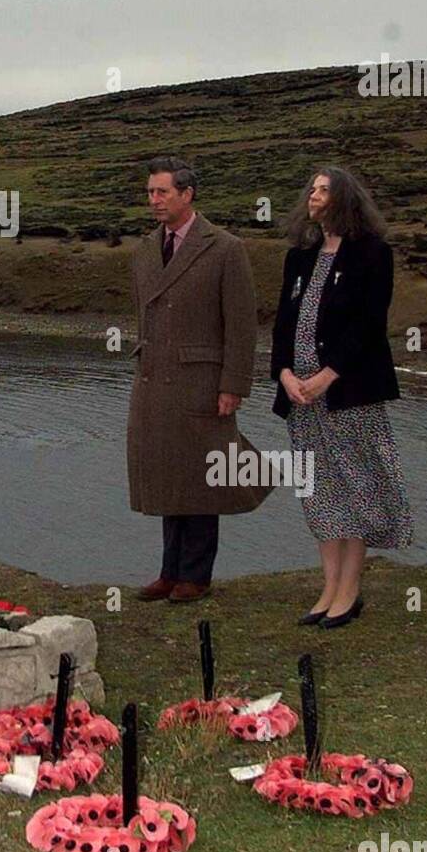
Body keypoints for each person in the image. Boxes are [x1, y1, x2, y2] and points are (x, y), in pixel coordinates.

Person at [271, 167, 412, 628]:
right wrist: (287, 375)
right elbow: (282, 326)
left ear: (345, 199)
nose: (313, 196)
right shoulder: (300, 256)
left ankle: (349, 592)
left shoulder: (372, 254)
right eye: (310, 188)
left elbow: (370, 326)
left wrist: (327, 375)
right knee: (320, 493)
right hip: (302, 399)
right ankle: (328, 587)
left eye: (323, 190)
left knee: (357, 488)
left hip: (348, 393)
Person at [127, 157, 268, 602]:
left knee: (205, 478)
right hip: (154, 380)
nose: (154, 201)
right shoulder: (147, 248)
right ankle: (169, 572)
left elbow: (241, 326)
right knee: (170, 475)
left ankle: (196, 576)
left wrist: (233, 385)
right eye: (150, 193)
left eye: (162, 192)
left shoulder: (225, 248)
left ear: (187, 195)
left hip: (202, 382)